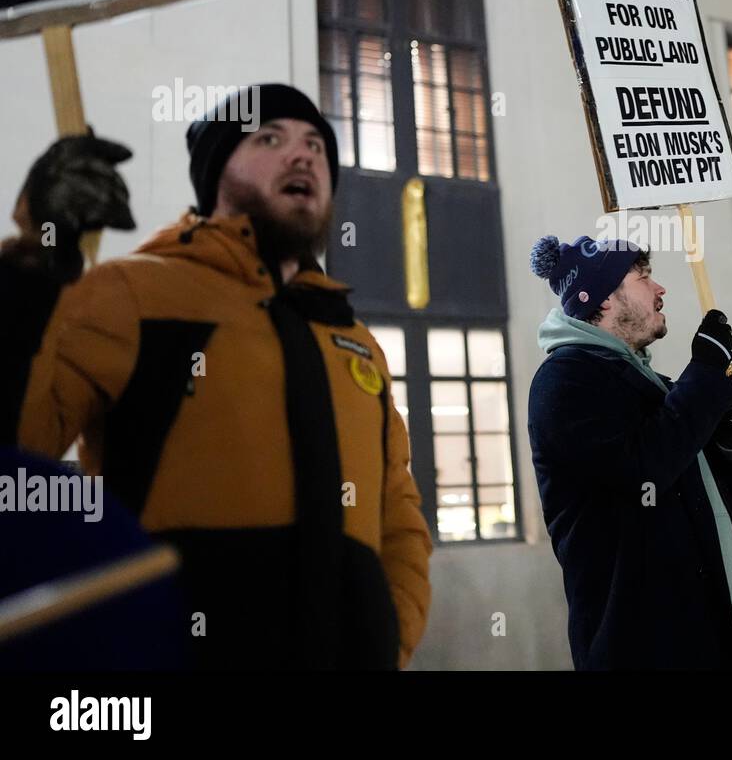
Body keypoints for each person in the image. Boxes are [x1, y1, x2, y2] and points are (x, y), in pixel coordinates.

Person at [2, 85, 432, 669]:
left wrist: (390, 635)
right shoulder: (131, 292)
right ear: (214, 173)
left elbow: (397, 514)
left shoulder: (352, 339)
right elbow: (17, 450)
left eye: (315, 146)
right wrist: (33, 266)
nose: (302, 156)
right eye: (269, 139)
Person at [527, 234, 732, 669]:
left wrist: (730, 434)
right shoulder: (563, 383)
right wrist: (704, 372)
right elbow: (644, 470)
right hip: (652, 646)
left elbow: (717, 486)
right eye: (643, 277)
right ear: (602, 299)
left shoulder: (649, 383)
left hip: (725, 639)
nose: (660, 289)